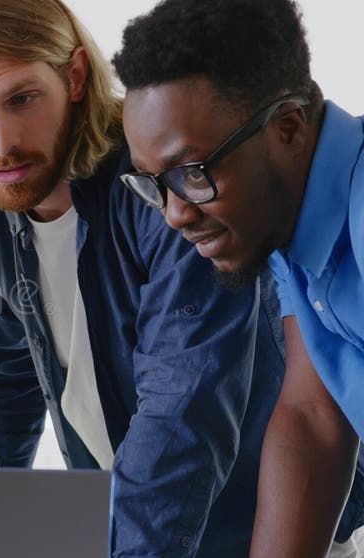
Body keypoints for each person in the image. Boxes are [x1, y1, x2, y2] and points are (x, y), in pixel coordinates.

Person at [0, 0, 335, 555]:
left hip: (265, 534)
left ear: (75, 76)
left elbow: (183, 410)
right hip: (128, 527)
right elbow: (5, 393)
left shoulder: (162, 183)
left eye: (22, 99)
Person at [113, 0, 364, 556]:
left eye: (193, 173)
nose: (175, 213)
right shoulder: (284, 226)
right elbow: (312, 415)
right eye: (154, 183)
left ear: (289, 129)